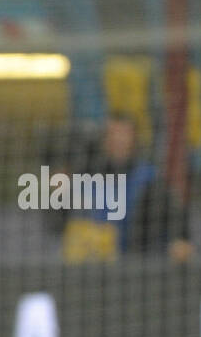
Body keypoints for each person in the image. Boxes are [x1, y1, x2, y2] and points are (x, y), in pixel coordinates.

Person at [56, 112, 193, 263]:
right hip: (89, 264)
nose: (118, 140)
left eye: (123, 135)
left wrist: (179, 240)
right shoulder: (85, 177)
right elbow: (58, 222)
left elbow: (176, 218)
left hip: (135, 265)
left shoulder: (150, 180)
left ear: (134, 139)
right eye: (112, 135)